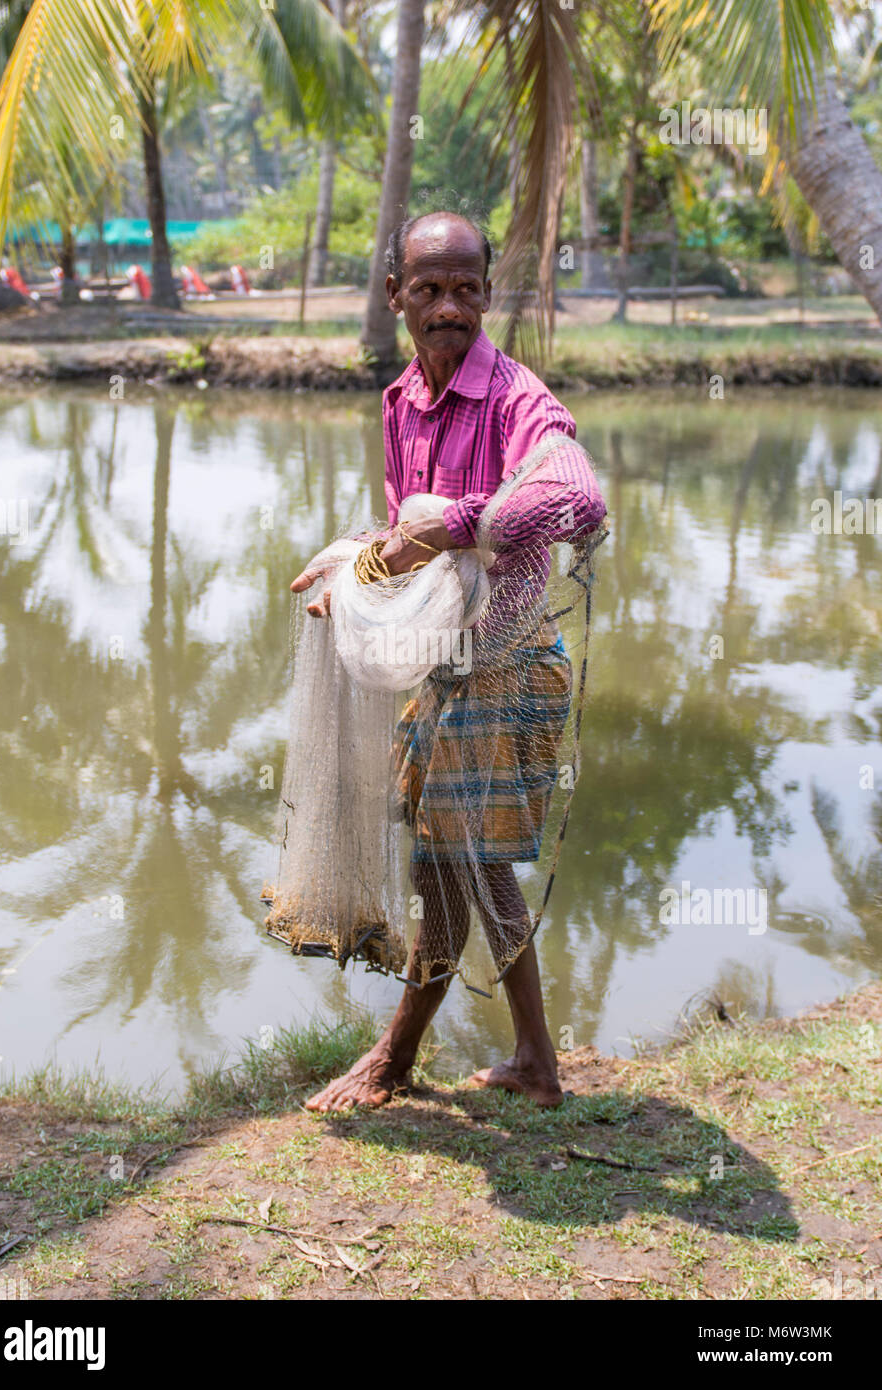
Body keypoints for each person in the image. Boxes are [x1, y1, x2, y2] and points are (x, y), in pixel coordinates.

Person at [290, 212, 606, 1112]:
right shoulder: (400, 402)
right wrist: (351, 564)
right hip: (443, 674)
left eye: (467, 287)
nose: (448, 306)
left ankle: (396, 1058)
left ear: (487, 296)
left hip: (505, 666)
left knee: (458, 871)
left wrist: (466, 520)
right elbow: (406, 531)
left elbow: (575, 495)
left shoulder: (517, 399)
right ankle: (534, 1063)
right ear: (396, 297)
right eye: (427, 287)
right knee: (462, 870)